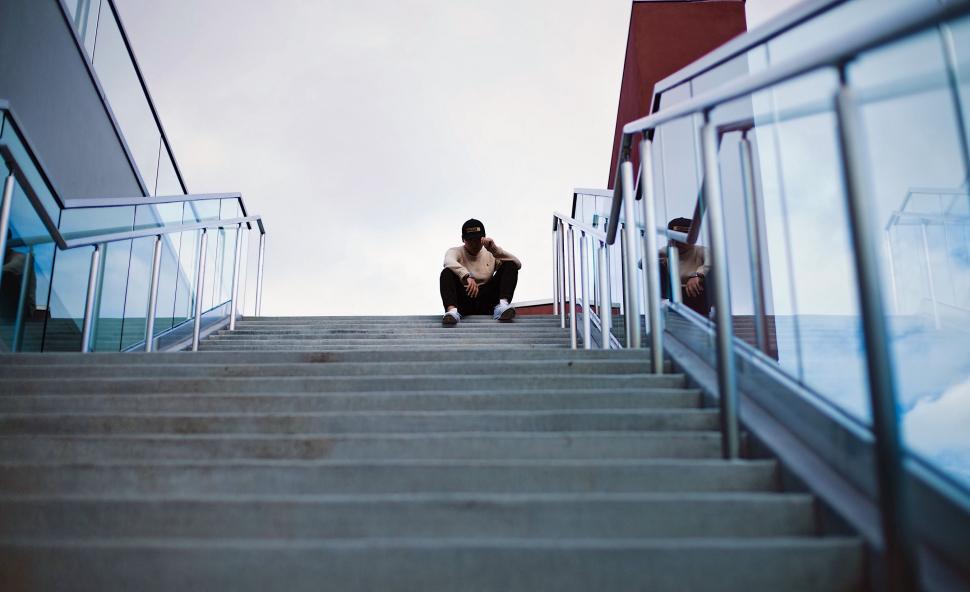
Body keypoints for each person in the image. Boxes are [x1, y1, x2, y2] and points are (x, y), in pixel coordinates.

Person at [440, 218, 521, 325]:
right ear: (463, 239)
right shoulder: (455, 251)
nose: (474, 244)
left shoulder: (492, 253)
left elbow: (517, 264)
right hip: (465, 300)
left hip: (487, 301)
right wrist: (466, 276)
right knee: (446, 273)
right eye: (470, 240)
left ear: (483, 239)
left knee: (510, 264)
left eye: (477, 240)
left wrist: (495, 250)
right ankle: (452, 312)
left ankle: (502, 306)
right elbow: (448, 261)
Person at [659, 217, 712, 317]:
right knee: (656, 264)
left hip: (698, 293)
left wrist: (697, 275)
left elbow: (712, 261)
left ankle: (710, 313)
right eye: (679, 234)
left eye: (688, 234)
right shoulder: (667, 252)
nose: (684, 239)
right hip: (676, 294)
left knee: (712, 270)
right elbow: (641, 263)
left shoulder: (700, 250)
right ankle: (662, 305)